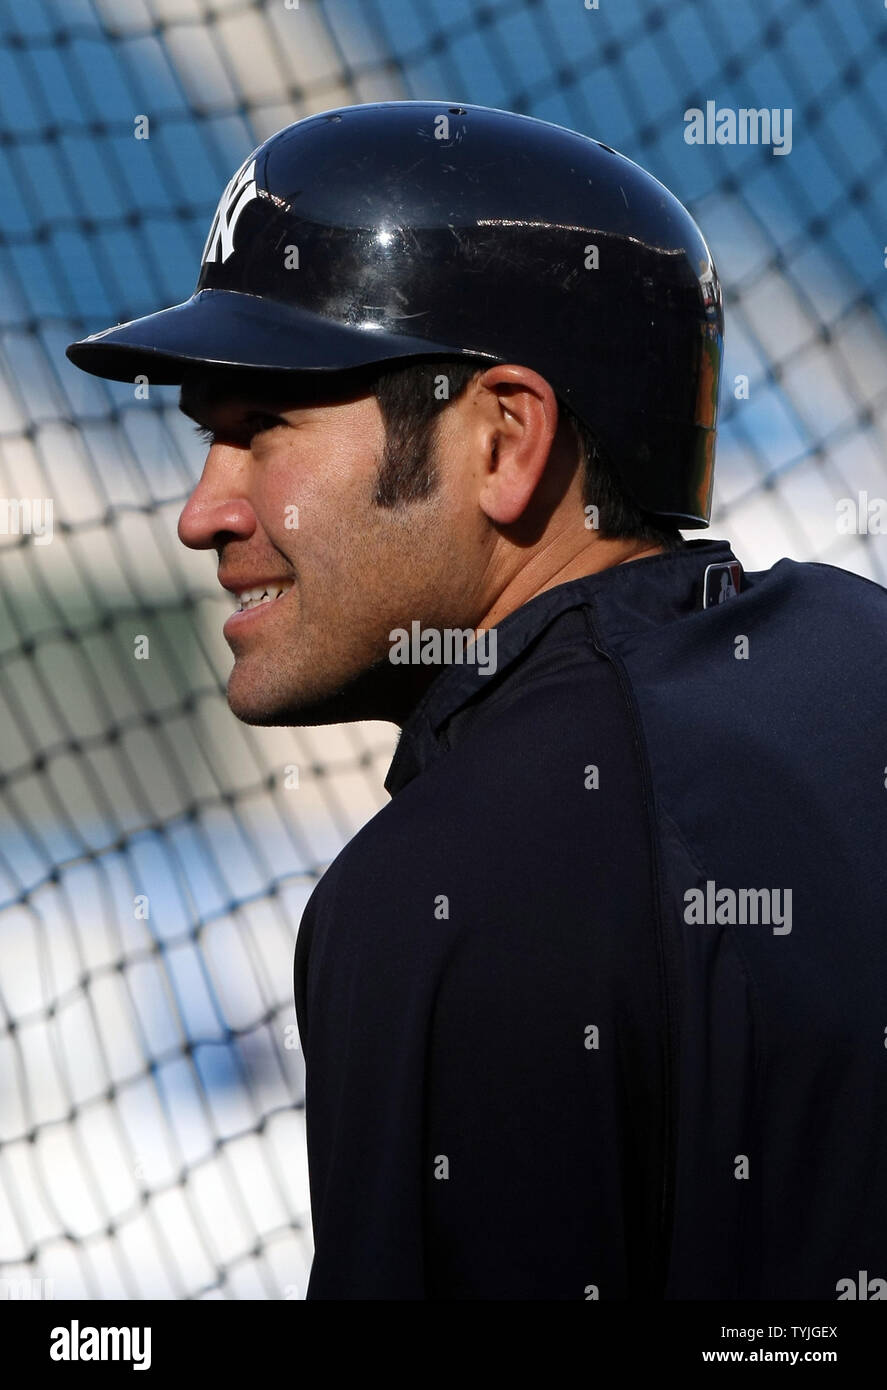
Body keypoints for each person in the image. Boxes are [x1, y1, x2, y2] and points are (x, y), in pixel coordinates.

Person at [67, 100, 887, 1301]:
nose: (204, 511)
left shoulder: (445, 889)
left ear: (506, 439)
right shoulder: (859, 655)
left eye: (265, 429)